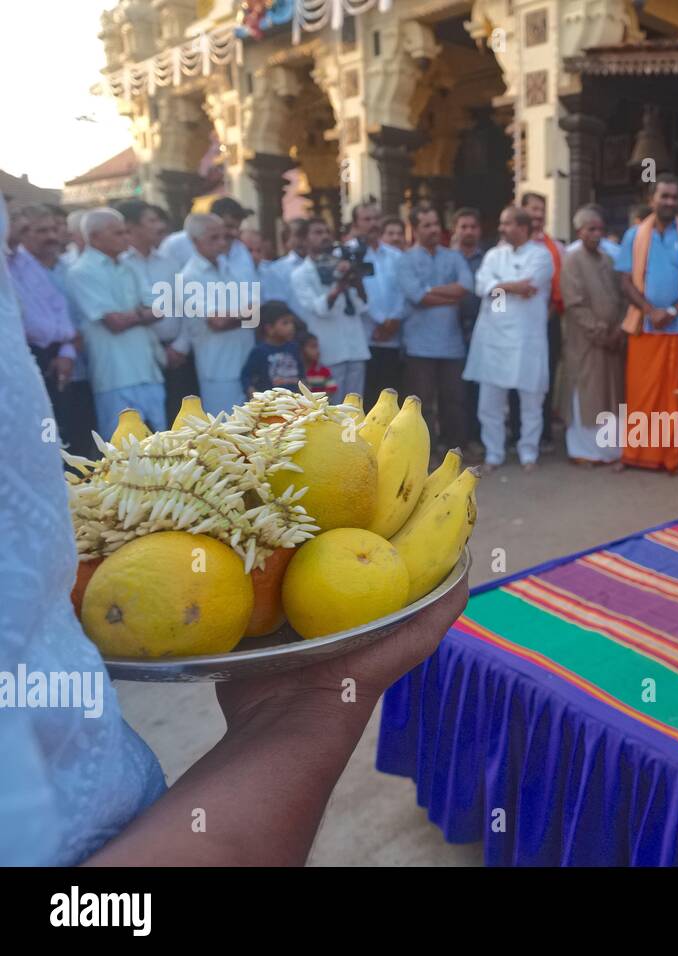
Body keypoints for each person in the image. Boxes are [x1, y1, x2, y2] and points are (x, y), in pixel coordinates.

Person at [0, 192, 469, 865]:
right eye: (217, 229)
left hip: (123, 805)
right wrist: (308, 707)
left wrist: (300, 710)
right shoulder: (170, 277)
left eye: (231, 230)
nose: (227, 237)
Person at [616, 175, 678, 473]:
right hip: (644, 327)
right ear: (651, 199)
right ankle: (637, 455)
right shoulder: (634, 235)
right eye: (664, 196)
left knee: (675, 396)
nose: (669, 202)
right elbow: (623, 279)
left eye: (674, 197)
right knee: (641, 394)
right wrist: (649, 310)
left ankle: (673, 456)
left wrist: (672, 309)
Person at [463, 205, 554, 472]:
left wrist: (499, 286)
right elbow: (482, 287)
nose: (501, 228)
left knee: (531, 399)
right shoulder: (493, 255)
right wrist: (511, 287)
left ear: (523, 228)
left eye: (507, 223)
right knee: (489, 402)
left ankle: (528, 452)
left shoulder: (541, 256)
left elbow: (532, 285)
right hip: (493, 338)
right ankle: (494, 453)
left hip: (526, 338)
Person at [66, 207, 166, 436]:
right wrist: (141, 313)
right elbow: (114, 323)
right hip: (114, 376)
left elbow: (161, 309)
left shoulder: (129, 266)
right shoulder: (81, 272)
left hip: (148, 371)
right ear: (95, 237)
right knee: (121, 454)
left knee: (165, 450)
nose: (126, 238)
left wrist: (131, 315)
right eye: (118, 233)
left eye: (125, 232)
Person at [7, 204, 95, 457]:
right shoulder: (8, 264)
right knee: (38, 439)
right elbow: (21, 323)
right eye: (16, 220)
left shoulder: (24, 262)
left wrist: (67, 352)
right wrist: (65, 341)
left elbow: (58, 308)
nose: (50, 236)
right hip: (26, 356)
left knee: (68, 434)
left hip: (58, 358)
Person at [397, 204, 473, 456]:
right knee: (422, 404)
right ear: (415, 229)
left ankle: (454, 450)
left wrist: (429, 290)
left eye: (435, 224)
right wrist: (446, 296)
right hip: (419, 344)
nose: (433, 230)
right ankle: (424, 452)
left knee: (454, 401)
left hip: (452, 345)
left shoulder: (453, 257)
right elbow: (416, 296)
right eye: (426, 225)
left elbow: (465, 287)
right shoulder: (405, 260)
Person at [558, 205, 626, 466]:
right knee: (586, 393)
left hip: (611, 342)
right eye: (591, 229)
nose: (597, 234)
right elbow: (574, 304)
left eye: (600, 229)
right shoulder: (572, 260)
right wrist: (600, 333)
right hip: (586, 342)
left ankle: (608, 451)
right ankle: (583, 452)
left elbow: (619, 299)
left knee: (610, 394)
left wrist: (618, 329)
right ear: (580, 232)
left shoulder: (608, 260)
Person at [118, 200, 196, 422]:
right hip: (142, 355)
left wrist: (181, 345)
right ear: (131, 226)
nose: (159, 226)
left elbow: (187, 305)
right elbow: (132, 311)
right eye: (151, 220)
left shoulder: (169, 263)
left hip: (178, 354)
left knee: (181, 420)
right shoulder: (121, 265)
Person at [180, 213, 256, 415]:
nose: (222, 243)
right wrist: (243, 314)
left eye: (224, 236)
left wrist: (237, 315)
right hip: (218, 368)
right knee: (224, 434)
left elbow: (255, 310)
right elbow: (218, 322)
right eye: (214, 238)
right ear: (195, 241)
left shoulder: (229, 267)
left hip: (248, 361)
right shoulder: (189, 277)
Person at [290, 217, 371, 399]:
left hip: (355, 346)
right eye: (318, 232)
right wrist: (339, 286)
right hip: (328, 350)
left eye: (327, 232)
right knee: (331, 410)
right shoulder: (300, 274)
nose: (325, 236)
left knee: (355, 406)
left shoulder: (343, 263)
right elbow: (319, 308)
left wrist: (356, 280)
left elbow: (362, 305)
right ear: (304, 239)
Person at [350, 202, 406, 408]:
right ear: (355, 224)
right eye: (367, 219)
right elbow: (355, 294)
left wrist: (394, 320)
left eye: (376, 219)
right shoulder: (347, 255)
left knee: (390, 398)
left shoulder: (396, 256)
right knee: (365, 397)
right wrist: (381, 321)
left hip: (392, 337)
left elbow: (402, 291)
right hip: (365, 336)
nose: (373, 224)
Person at [522, 191, 564, 447]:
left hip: (549, 321)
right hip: (519, 324)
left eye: (542, 210)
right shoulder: (509, 249)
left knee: (544, 375)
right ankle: (517, 432)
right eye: (533, 209)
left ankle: (544, 433)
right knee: (518, 376)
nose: (538, 215)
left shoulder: (557, 248)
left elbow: (561, 287)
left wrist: (548, 314)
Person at [450, 208, 486, 457]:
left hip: (482, 329)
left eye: (472, 226)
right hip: (449, 329)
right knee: (454, 388)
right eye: (464, 226)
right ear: (456, 229)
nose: (468, 231)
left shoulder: (488, 259)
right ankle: (455, 439)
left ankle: (476, 437)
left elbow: (497, 295)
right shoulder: (447, 259)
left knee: (478, 388)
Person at [160, 195, 257, 284]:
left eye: (238, 228)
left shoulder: (239, 248)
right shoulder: (175, 244)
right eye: (229, 226)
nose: (234, 233)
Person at [240, 301, 303, 396]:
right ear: (269, 328)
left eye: (292, 322)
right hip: (271, 406)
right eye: (285, 323)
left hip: (294, 402)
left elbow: (302, 375)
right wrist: (256, 396)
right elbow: (246, 377)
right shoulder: (260, 351)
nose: (291, 327)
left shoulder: (294, 347)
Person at [300, 332, 337, 397]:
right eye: (312, 347)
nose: (317, 351)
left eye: (317, 347)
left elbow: (331, 389)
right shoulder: (296, 371)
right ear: (301, 349)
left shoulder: (323, 371)